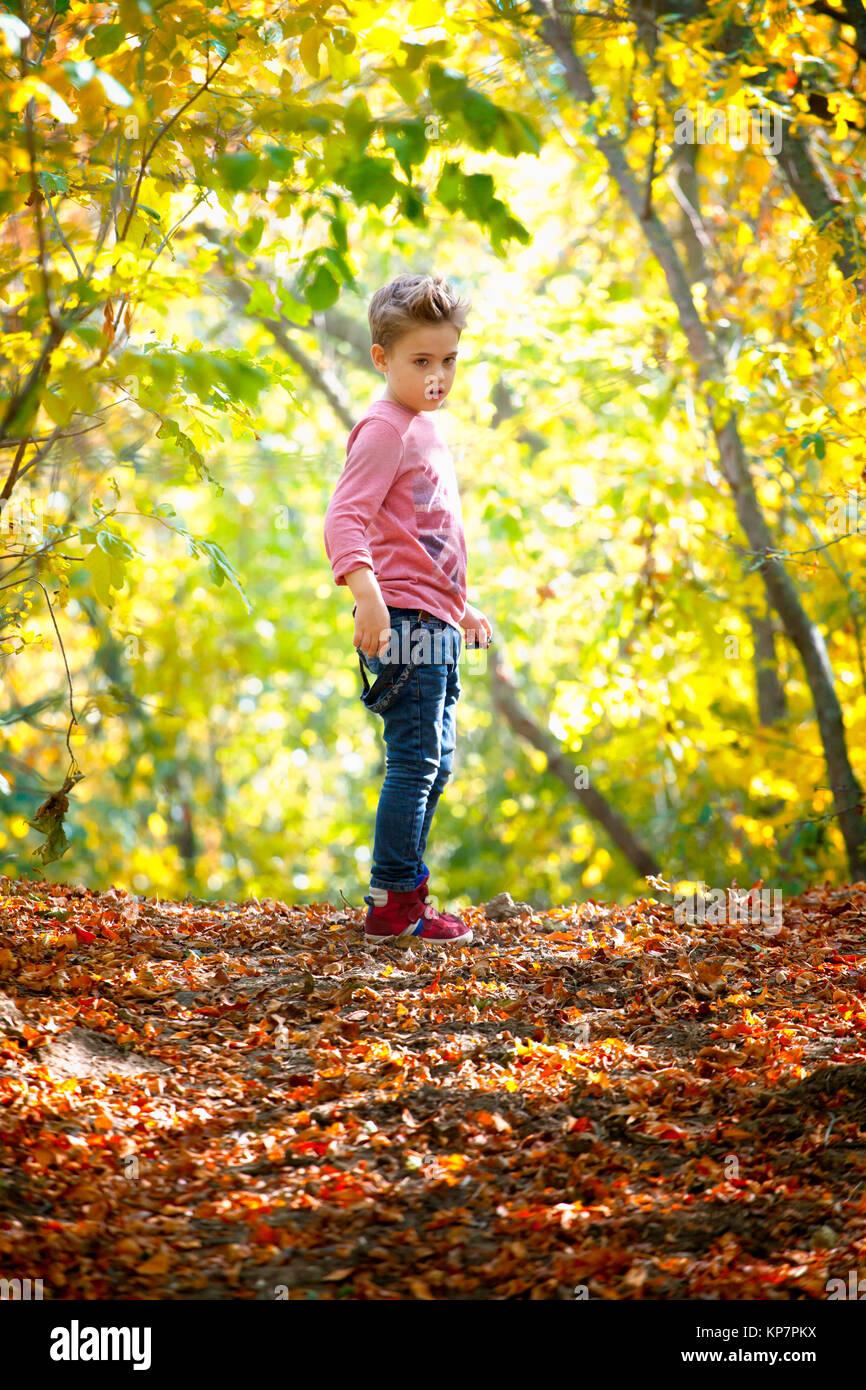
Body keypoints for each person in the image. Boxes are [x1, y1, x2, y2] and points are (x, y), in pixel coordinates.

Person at [323, 272, 493, 946]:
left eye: (448, 360)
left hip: (436, 618)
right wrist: (369, 598)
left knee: (436, 761)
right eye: (421, 361)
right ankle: (393, 903)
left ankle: (408, 899)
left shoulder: (423, 428)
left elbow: (418, 541)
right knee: (414, 760)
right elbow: (345, 521)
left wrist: (462, 604)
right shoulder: (385, 429)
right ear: (382, 358)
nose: (438, 375)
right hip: (404, 622)